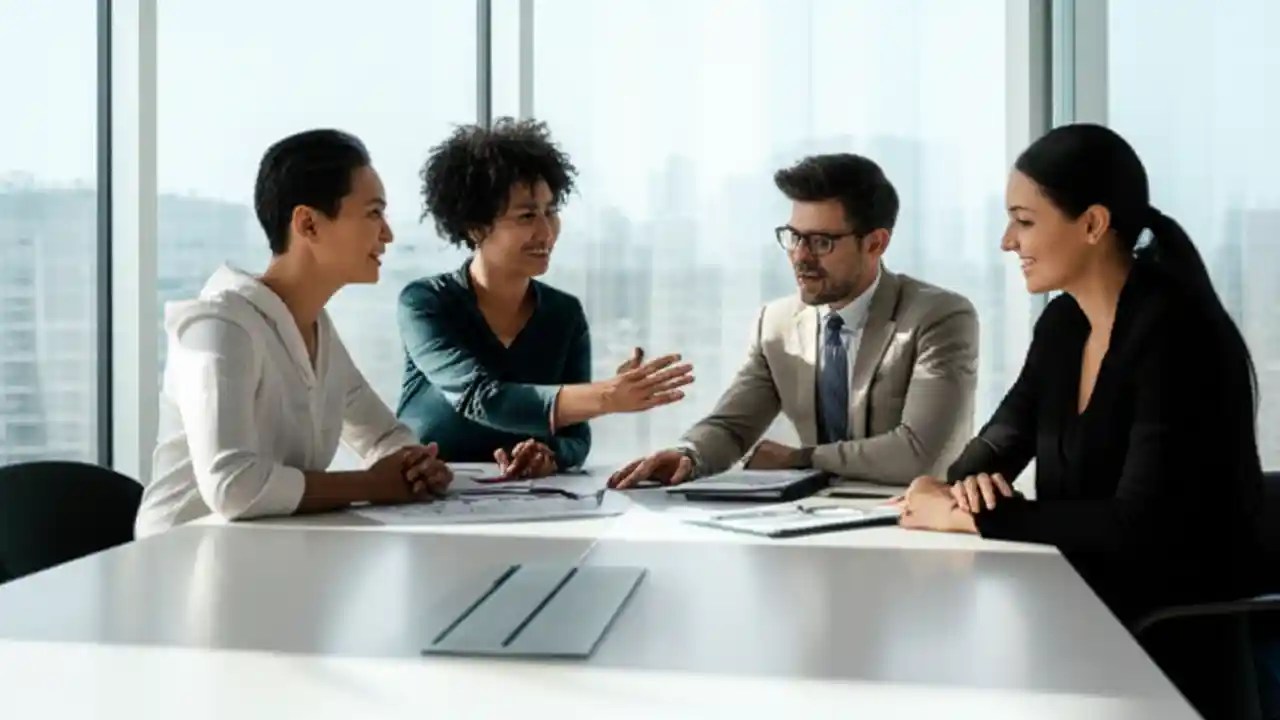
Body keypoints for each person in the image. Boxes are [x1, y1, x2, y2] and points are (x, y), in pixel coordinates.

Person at [898, 123, 1264, 718]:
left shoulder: (1176, 337)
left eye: (1024, 220)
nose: (1007, 242)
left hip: (1164, 645)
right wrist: (960, 486)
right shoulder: (1064, 324)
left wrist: (972, 521)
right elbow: (997, 442)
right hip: (1077, 612)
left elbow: (1135, 528)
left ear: (1092, 224)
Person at [135, 130, 451, 538]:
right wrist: (372, 485)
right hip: (181, 558)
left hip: (270, 552)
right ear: (308, 223)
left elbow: (385, 435)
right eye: (373, 213)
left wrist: (413, 465)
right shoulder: (219, 324)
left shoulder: (316, 329)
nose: (387, 234)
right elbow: (233, 486)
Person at [610, 153, 978, 489]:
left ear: (875, 243)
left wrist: (799, 458)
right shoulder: (776, 324)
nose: (800, 257)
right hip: (809, 520)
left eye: (821, 242)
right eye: (794, 237)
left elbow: (918, 454)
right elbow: (733, 426)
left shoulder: (939, 317)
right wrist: (690, 456)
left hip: (913, 527)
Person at [397, 118, 693, 478]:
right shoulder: (426, 302)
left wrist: (550, 453)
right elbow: (481, 397)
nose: (546, 231)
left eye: (551, 211)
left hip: (523, 501)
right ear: (475, 227)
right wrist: (605, 396)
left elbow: (576, 439)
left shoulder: (563, 314)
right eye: (526, 216)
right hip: (423, 491)